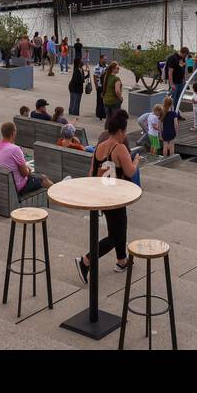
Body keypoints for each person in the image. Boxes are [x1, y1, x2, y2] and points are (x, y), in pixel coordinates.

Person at [75, 110, 140, 283]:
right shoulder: (120, 148)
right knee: (115, 236)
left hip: (102, 196)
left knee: (119, 227)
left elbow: (91, 173)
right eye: (125, 131)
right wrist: (136, 162)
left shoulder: (100, 147)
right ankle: (85, 261)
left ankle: (122, 261)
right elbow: (130, 171)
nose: (125, 135)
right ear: (120, 131)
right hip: (116, 198)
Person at [0, 121, 52, 196]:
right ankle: (58, 192)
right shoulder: (15, 149)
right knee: (43, 178)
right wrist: (28, 169)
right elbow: (24, 173)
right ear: (13, 133)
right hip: (15, 187)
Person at [93, 53, 109, 120]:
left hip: (106, 86)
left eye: (106, 59)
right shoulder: (97, 67)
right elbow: (95, 78)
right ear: (101, 59)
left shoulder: (107, 67)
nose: (105, 60)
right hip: (100, 86)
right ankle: (99, 114)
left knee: (105, 101)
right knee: (99, 101)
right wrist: (97, 87)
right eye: (104, 59)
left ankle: (104, 113)